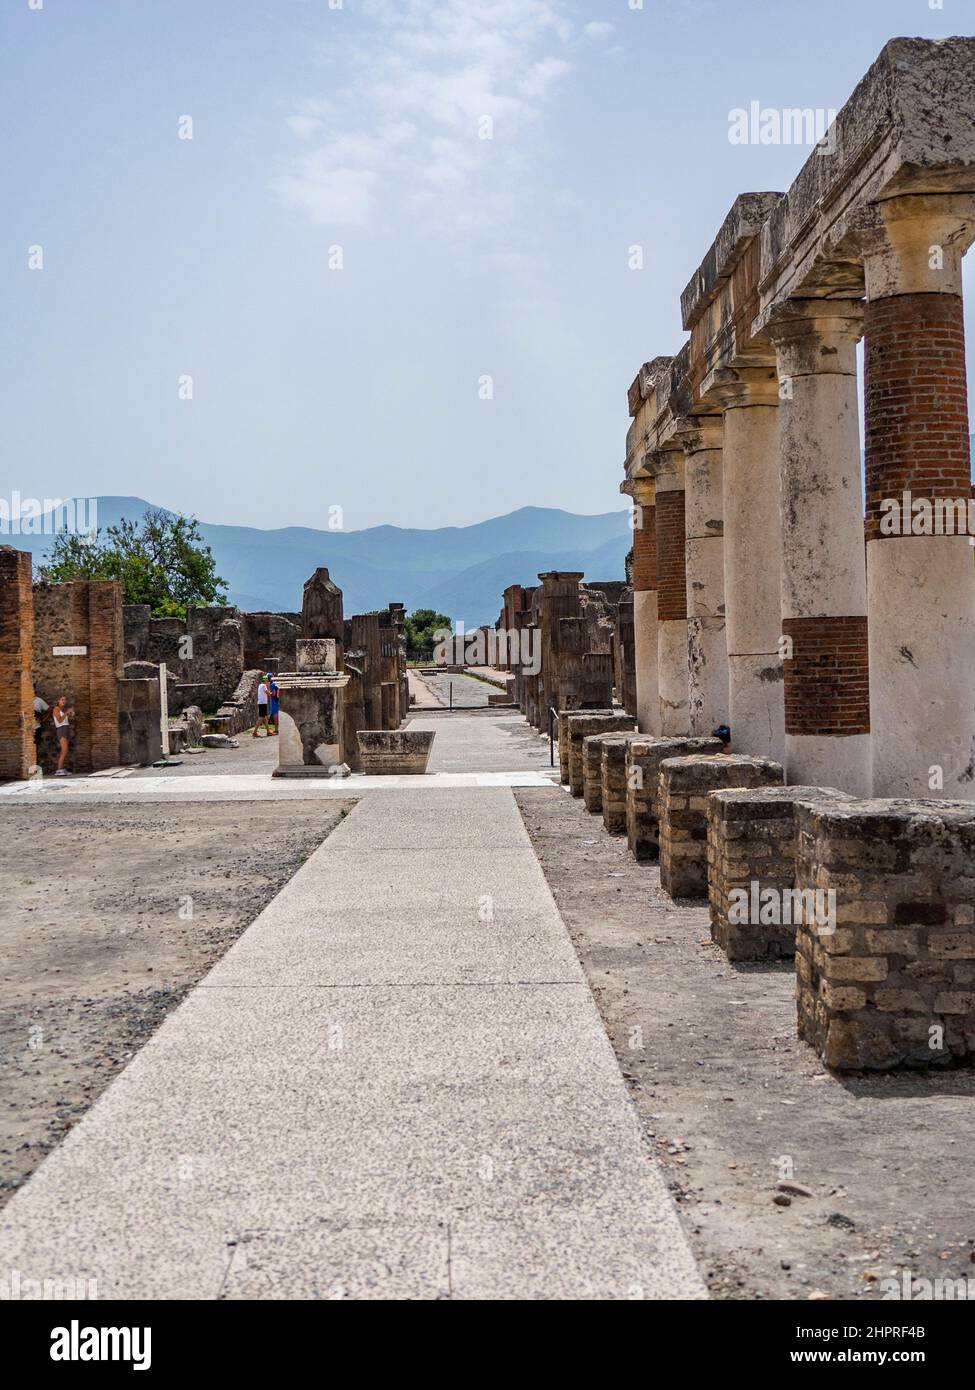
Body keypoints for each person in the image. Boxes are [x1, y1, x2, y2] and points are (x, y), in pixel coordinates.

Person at [52, 695, 75, 776]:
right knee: (65, 750)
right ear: (58, 701)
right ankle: (58, 770)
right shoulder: (56, 709)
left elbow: (66, 718)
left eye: (65, 700)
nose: (64, 701)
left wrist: (70, 713)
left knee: (64, 750)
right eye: (62, 700)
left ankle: (61, 769)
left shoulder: (63, 709)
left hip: (66, 729)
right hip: (61, 729)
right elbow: (60, 720)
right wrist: (66, 713)